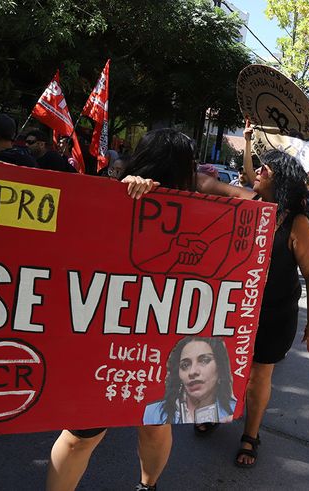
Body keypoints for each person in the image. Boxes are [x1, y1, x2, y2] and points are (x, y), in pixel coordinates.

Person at [47, 129, 198, 491]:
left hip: (145, 333)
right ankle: (148, 486)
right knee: (85, 433)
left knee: (149, 425)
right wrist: (119, 192)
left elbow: (251, 201)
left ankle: (148, 487)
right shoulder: (115, 194)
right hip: (118, 333)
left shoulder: (202, 205)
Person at [194, 149, 309, 467]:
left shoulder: (297, 223)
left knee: (258, 375)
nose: (261, 170)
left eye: (269, 167)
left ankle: (250, 435)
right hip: (234, 308)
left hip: (276, 312)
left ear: (282, 179)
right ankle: (216, 411)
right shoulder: (247, 201)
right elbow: (201, 183)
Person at [142, 337, 235, 424]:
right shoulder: (153, 413)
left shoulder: (236, 412)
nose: (192, 371)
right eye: (185, 365)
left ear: (219, 367)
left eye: (204, 360)